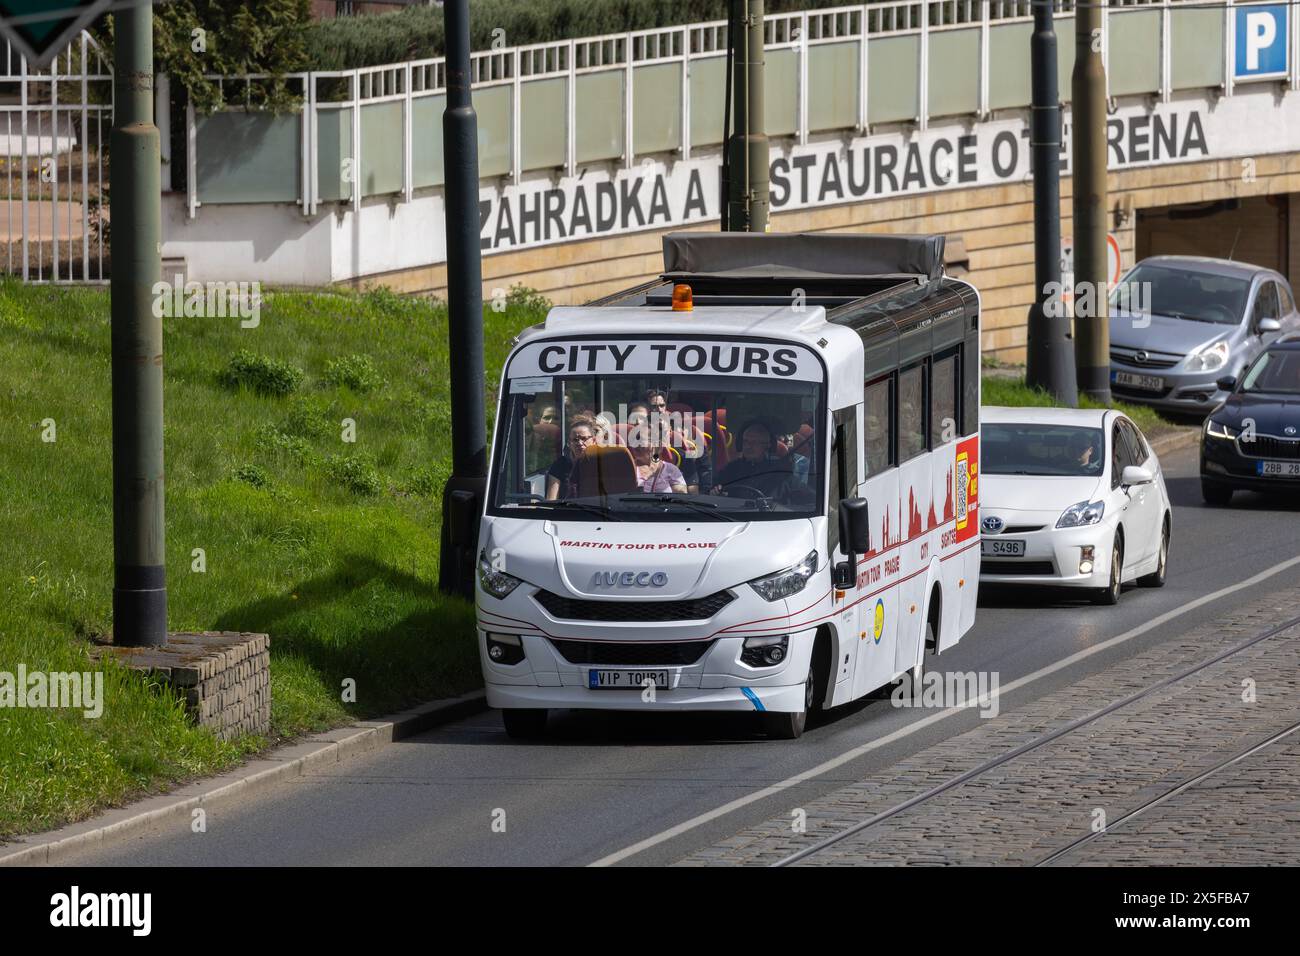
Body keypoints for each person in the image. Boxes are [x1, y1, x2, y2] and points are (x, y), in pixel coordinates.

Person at [714, 420, 793, 500]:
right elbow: (714, 488)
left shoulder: (778, 472)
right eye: (745, 441)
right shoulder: (731, 469)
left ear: (767, 445)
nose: (748, 446)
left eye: (754, 442)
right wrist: (716, 490)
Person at [545, 417, 598, 499]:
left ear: (594, 440)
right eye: (575, 440)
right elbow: (551, 499)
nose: (580, 443)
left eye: (584, 438)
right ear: (569, 443)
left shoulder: (602, 462)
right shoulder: (560, 465)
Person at [627, 426, 687, 494]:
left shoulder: (670, 469)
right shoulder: (627, 469)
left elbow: (681, 495)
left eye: (640, 439)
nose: (635, 444)